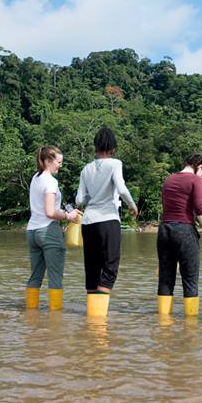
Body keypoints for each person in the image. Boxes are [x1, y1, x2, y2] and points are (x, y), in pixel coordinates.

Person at [76, 127, 138, 316]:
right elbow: (121, 187)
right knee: (110, 267)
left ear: (95, 147)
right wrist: (132, 205)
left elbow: (79, 200)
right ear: (112, 147)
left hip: (88, 222)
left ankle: (92, 319)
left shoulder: (86, 169)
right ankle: (99, 318)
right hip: (108, 220)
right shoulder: (115, 164)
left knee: (92, 268)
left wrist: (91, 197)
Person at [156, 154, 202, 316]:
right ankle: (191, 324)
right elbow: (200, 207)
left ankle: (163, 322)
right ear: (199, 166)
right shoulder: (195, 180)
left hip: (164, 231)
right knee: (190, 278)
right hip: (184, 231)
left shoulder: (169, 180)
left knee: (166, 278)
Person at [25, 146, 81, 311]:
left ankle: (31, 313)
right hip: (48, 231)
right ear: (48, 161)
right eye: (59, 162)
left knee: (35, 276)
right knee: (55, 277)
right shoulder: (50, 181)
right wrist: (68, 216)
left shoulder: (35, 178)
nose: (60, 166)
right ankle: (55, 318)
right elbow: (50, 212)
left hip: (32, 231)